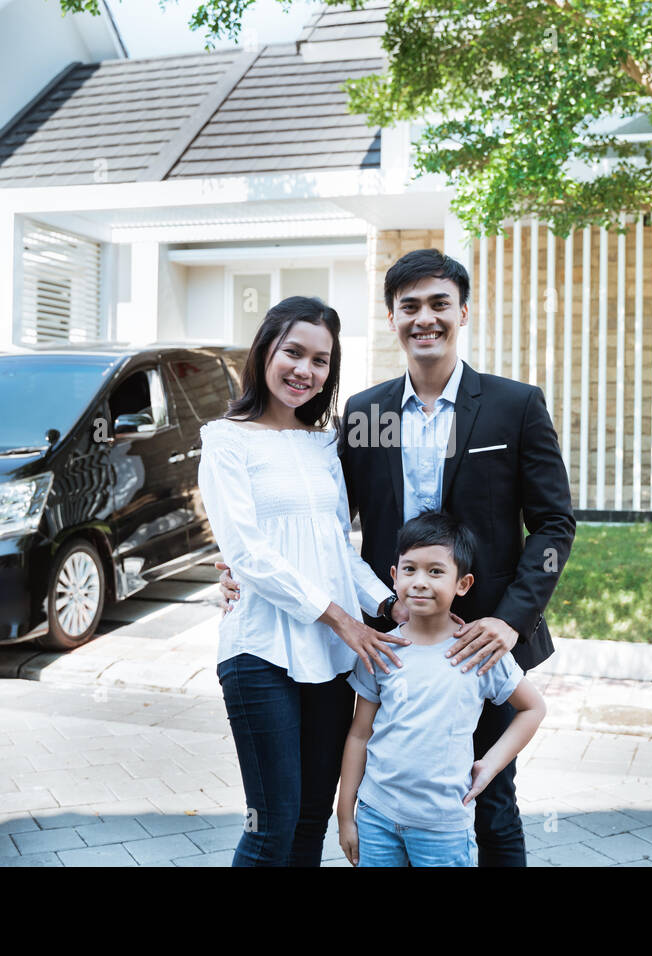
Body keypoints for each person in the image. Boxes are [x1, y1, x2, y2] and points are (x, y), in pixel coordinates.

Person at [221, 249, 576, 866]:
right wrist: (233, 573)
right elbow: (326, 525)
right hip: (389, 641)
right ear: (392, 319)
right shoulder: (365, 414)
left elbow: (554, 524)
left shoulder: (512, 406)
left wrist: (511, 620)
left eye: (440, 304)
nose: (425, 319)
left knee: (488, 801)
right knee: (383, 789)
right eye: (409, 306)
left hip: (478, 642)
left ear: (462, 312)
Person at [196, 295, 415, 867]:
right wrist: (344, 619)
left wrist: (391, 605)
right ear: (266, 348)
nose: (305, 370)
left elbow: (337, 550)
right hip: (260, 649)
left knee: (311, 823)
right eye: (294, 352)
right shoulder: (224, 440)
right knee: (272, 827)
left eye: (320, 361)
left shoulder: (324, 443)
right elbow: (247, 553)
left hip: (332, 658)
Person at [337, 511, 547, 867]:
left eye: (436, 571)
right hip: (377, 816)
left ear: (462, 584)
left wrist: (490, 765)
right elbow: (359, 734)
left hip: (444, 827)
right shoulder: (382, 649)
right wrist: (345, 816)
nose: (420, 581)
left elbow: (533, 709)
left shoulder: (478, 651)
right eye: (410, 569)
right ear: (394, 576)